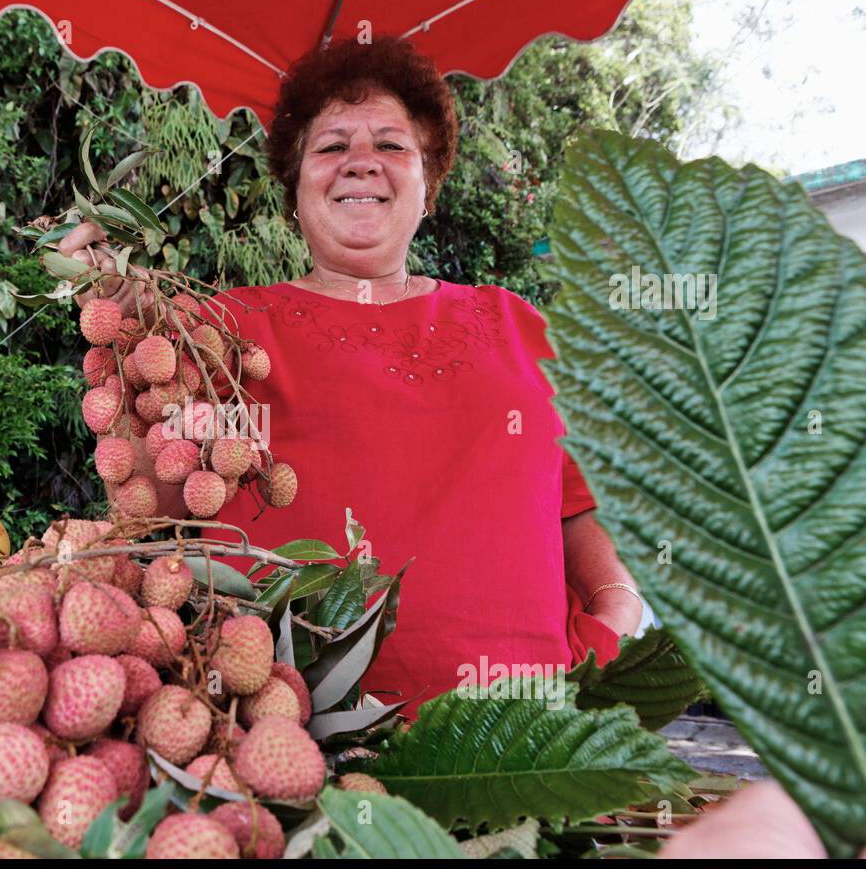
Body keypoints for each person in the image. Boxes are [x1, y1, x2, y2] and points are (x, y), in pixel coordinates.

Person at [62, 36, 641, 715]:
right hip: (294, 756)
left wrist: (616, 613)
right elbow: (153, 510)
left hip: (533, 745)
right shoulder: (219, 333)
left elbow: (580, 506)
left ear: (429, 184)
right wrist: (136, 341)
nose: (361, 161)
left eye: (393, 146)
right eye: (332, 146)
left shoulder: (518, 324)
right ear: (296, 190)